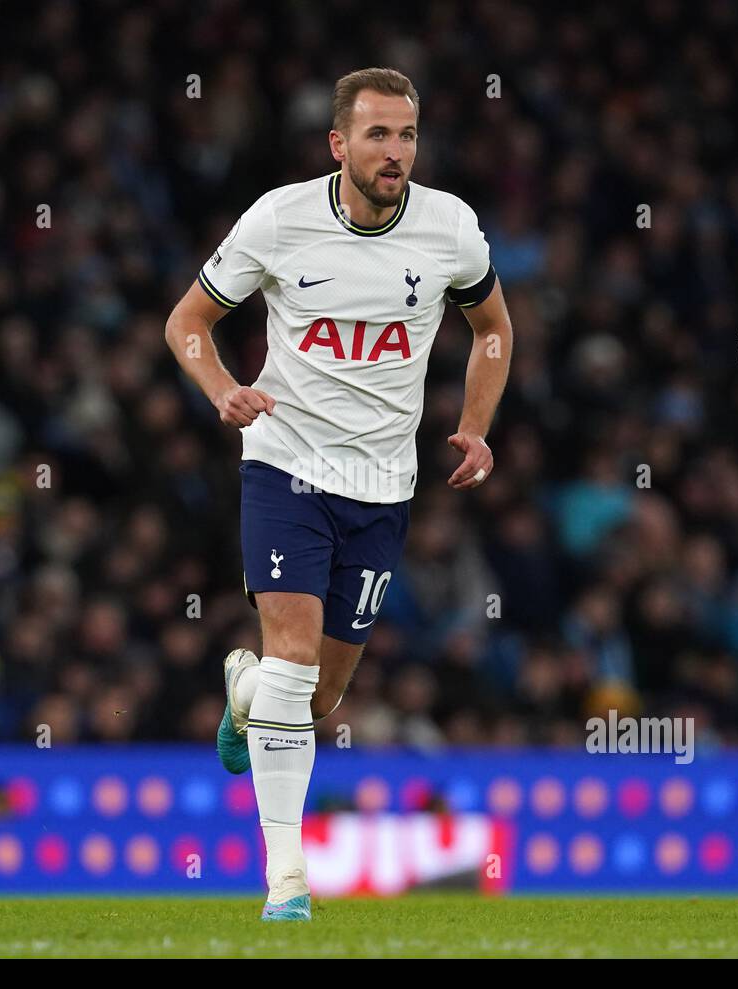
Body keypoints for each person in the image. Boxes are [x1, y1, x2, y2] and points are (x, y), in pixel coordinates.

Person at [164, 67, 513, 920]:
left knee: (313, 700)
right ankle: (287, 882)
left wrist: (475, 424)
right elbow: (187, 324)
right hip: (284, 462)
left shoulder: (450, 230)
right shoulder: (280, 219)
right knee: (292, 654)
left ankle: (243, 696)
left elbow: (495, 328)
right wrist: (223, 393)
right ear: (339, 144)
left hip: (383, 487)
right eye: (377, 136)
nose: (395, 153)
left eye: (407, 136)